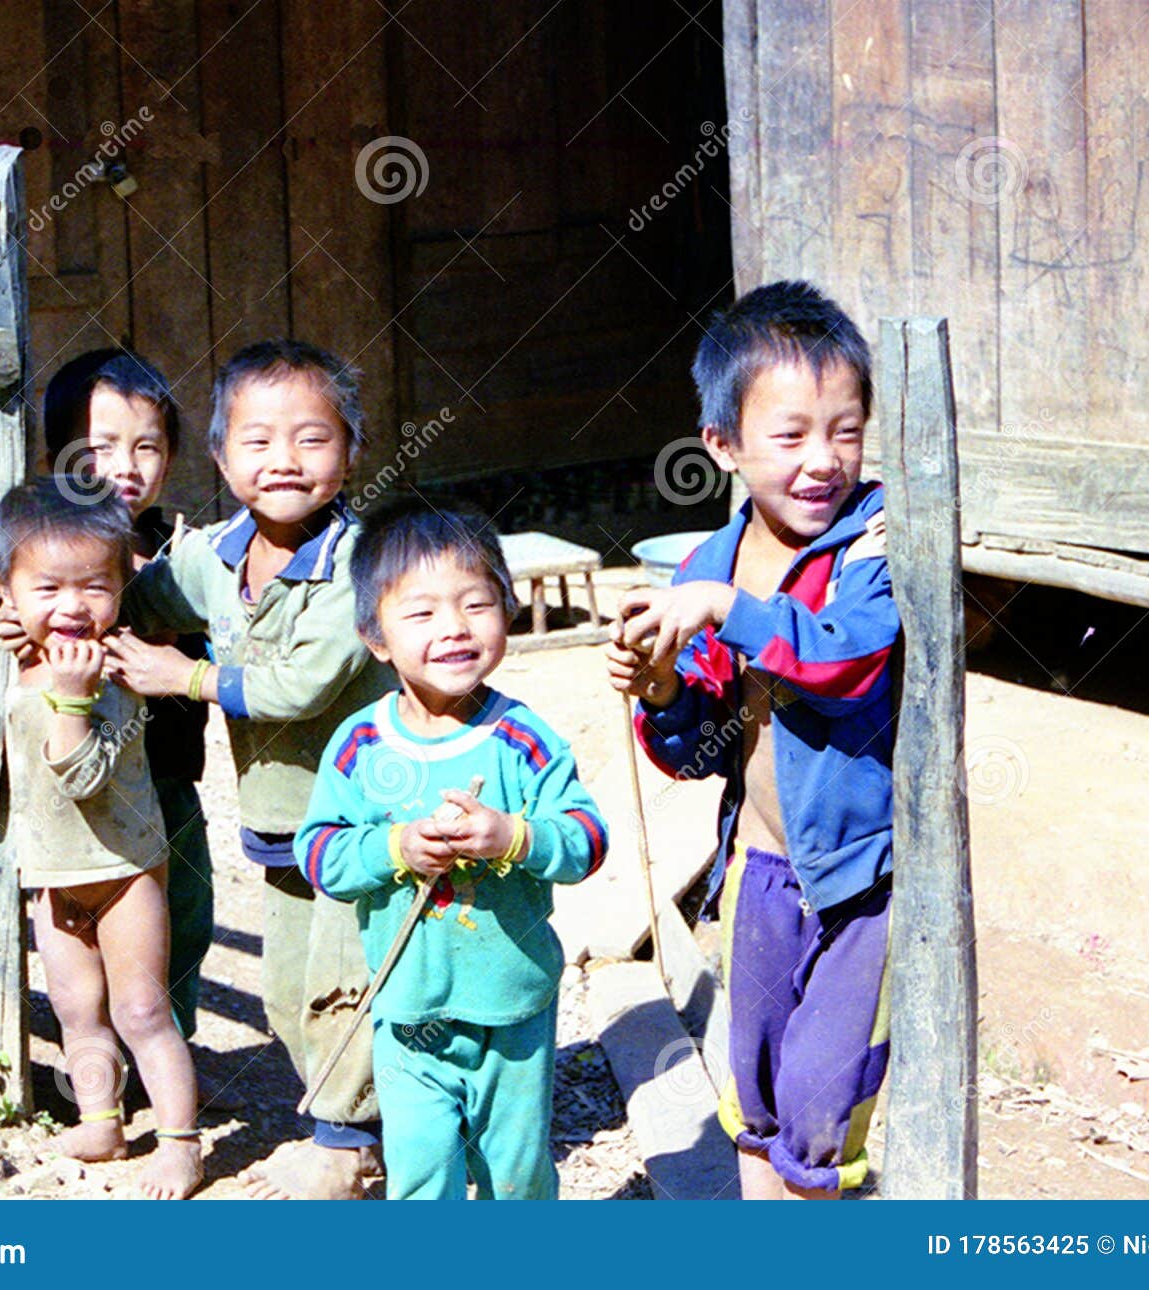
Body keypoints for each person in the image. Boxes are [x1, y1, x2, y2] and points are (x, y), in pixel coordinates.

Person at [606, 280, 898, 1199]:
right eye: (792, 434)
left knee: (823, 1101)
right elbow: (695, 750)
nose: (824, 460)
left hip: (859, 878)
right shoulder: (707, 563)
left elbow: (846, 664)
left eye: (844, 430)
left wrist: (728, 612)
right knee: (757, 1091)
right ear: (724, 446)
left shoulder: (875, 546)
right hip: (759, 871)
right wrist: (658, 691)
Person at [109, 340, 393, 1199]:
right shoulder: (213, 557)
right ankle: (365, 1120)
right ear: (224, 456)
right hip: (278, 820)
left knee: (345, 982)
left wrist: (186, 676)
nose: (284, 461)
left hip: (361, 817)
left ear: (350, 450)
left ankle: (349, 1144)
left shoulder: (355, 564)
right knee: (284, 993)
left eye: (312, 439)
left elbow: (303, 682)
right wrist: (36, 608)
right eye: (258, 441)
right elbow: (139, 601)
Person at [300, 501, 607, 1199]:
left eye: (476, 603)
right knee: (421, 1168)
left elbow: (587, 841)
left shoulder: (524, 741)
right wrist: (397, 847)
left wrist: (515, 837)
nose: (455, 628)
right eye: (423, 613)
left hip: (513, 1006)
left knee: (515, 1171)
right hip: (409, 1012)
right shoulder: (360, 745)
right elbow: (319, 855)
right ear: (375, 637)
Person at [0, 477, 201, 1200]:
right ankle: (101, 1120)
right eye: (48, 588)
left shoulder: (112, 671)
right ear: (7, 591)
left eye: (95, 587)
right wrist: (2, 625)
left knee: (141, 1010)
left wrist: (73, 700)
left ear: (123, 585)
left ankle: (180, 1143)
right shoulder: (23, 651)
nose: (73, 607)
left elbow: (80, 776)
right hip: (54, 873)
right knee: (77, 1013)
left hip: (123, 872)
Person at [40, 348, 214, 1044]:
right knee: (84, 928)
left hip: (167, 772)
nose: (126, 467)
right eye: (102, 446)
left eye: (147, 446)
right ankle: (96, 1069)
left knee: (184, 911)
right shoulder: (48, 549)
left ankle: (173, 1058)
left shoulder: (186, 550)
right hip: (77, 780)